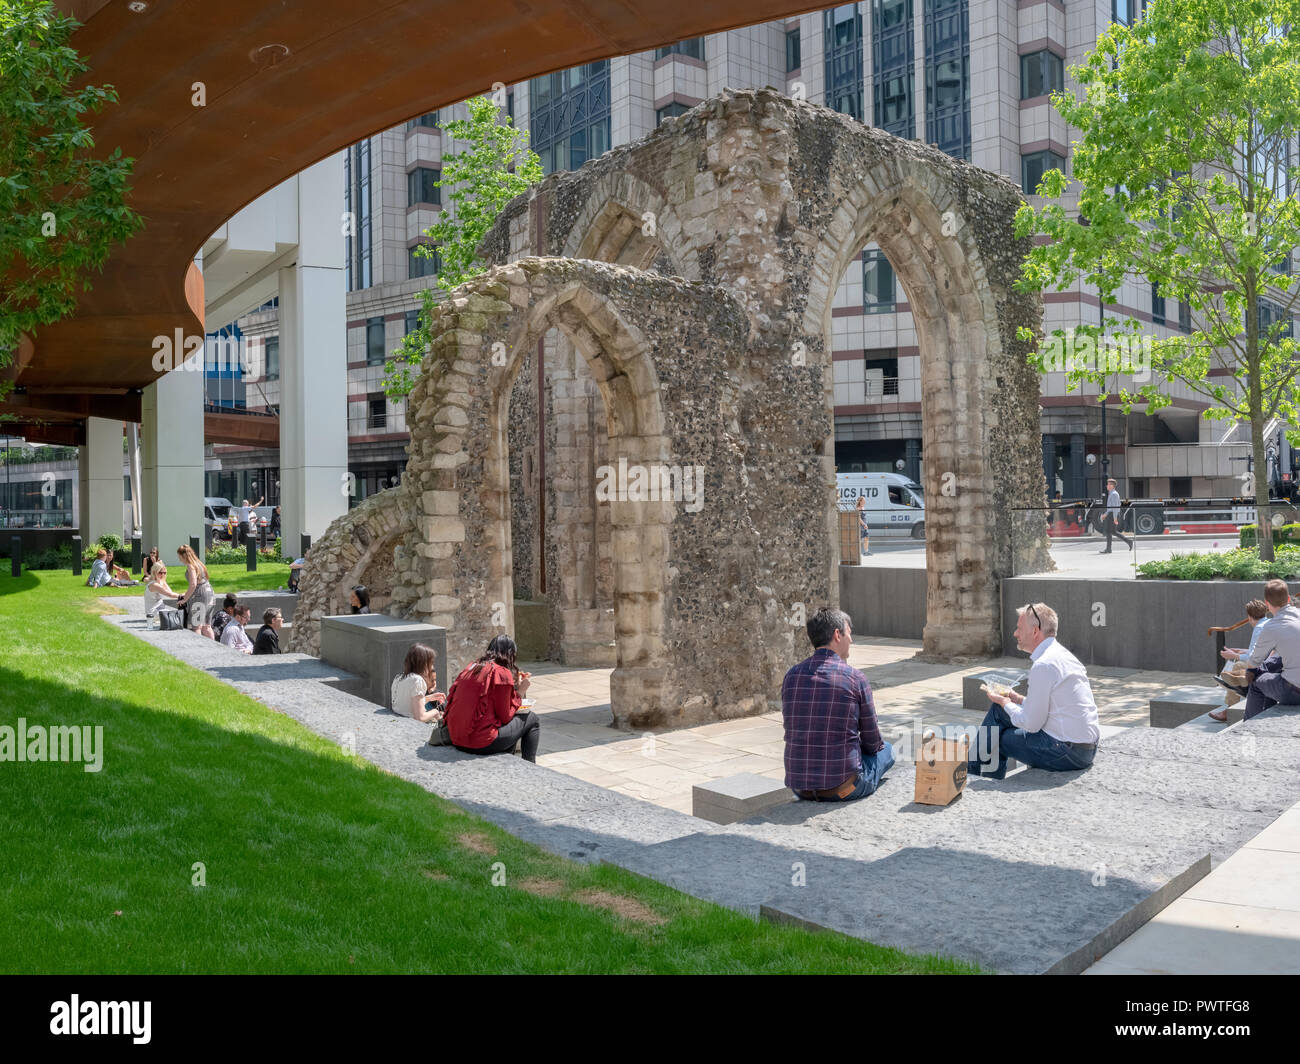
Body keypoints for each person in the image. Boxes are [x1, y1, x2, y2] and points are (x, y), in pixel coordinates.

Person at [969, 602, 1101, 779]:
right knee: (999, 714)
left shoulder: (1044, 665)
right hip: (1085, 749)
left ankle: (973, 777)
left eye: (1019, 628)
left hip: (1066, 752)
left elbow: (1032, 723)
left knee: (997, 738)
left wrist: (1005, 702)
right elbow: (1052, 708)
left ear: (1035, 631)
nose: (1015, 633)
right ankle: (972, 772)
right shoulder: (1063, 656)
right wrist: (1018, 699)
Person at [781, 607, 894, 801]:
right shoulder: (854, 678)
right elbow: (873, 741)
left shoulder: (791, 676)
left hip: (799, 788)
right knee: (889, 750)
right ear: (837, 634)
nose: (851, 640)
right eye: (849, 633)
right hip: (844, 788)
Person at [443, 635, 539, 762]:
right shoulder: (502, 673)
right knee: (532, 719)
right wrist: (521, 691)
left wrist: (513, 687)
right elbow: (505, 716)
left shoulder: (472, 666)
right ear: (510, 654)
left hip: (456, 738)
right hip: (480, 743)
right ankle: (530, 767)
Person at [1238, 579, 1300, 721]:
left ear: (1267, 603)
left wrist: (1252, 671)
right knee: (1277, 660)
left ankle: (1247, 725)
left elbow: (1253, 662)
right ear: (1289, 598)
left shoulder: (1272, 627)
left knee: (1256, 681)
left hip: (1294, 691)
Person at [1210, 599, 1270, 720]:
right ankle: (1235, 686)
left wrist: (1234, 656)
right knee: (1238, 666)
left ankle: (1231, 703)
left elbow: (1254, 657)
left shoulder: (1259, 628)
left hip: (1263, 666)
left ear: (1249, 616)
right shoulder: (1268, 623)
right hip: (1269, 662)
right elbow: (1261, 651)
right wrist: (1241, 650)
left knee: (1237, 666)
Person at [391, 643, 446, 723]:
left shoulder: (398, 677)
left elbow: (406, 704)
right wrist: (435, 712)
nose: (432, 666)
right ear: (423, 663)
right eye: (431, 662)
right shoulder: (417, 680)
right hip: (410, 726)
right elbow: (420, 717)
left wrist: (430, 698)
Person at [173, 544, 215, 630]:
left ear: (184, 555)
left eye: (179, 556)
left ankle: (198, 644)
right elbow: (201, 581)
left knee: (196, 626)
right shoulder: (199, 563)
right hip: (209, 593)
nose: (179, 559)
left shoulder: (190, 565)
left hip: (199, 596)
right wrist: (186, 593)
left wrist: (185, 599)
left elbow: (193, 584)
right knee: (207, 626)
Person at [1099, 477, 1133, 553]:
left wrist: (1115, 518)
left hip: (1112, 515)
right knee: (1112, 532)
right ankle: (1128, 541)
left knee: (1109, 531)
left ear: (1112, 486)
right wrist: (1105, 514)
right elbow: (1110, 508)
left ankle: (1109, 549)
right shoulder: (1111, 494)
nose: (1106, 486)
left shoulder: (1114, 494)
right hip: (1111, 514)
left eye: (1108, 484)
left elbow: (1115, 507)